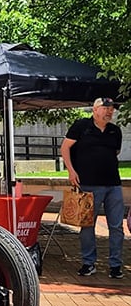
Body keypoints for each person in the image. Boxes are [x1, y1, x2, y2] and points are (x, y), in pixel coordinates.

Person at [60, 97, 124, 279]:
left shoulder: (115, 131)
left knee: (117, 227)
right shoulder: (81, 126)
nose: (109, 111)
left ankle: (115, 265)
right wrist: (71, 171)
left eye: (111, 109)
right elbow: (65, 148)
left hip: (113, 185)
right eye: (106, 108)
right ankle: (88, 263)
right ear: (95, 110)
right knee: (87, 226)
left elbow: (115, 153)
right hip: (88, 184)